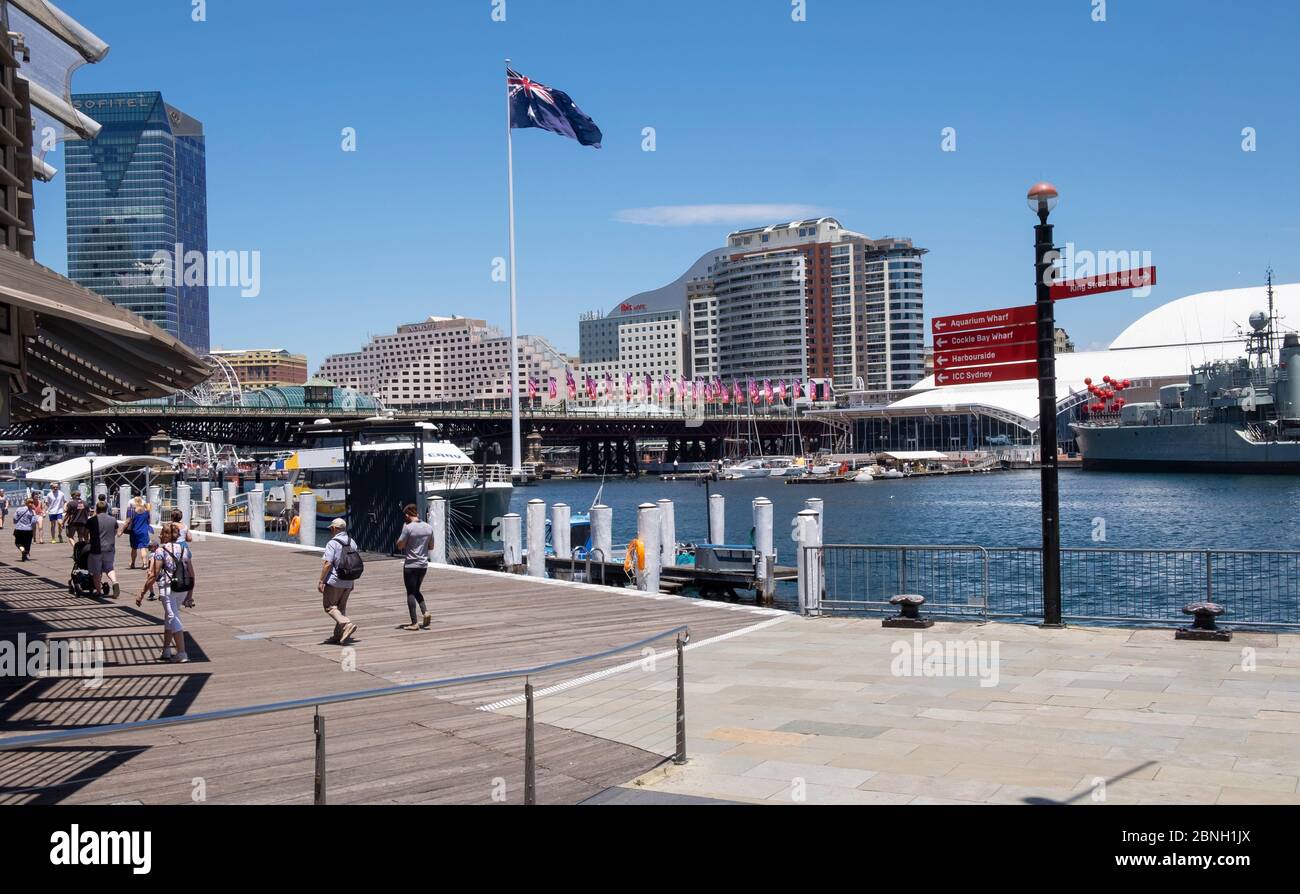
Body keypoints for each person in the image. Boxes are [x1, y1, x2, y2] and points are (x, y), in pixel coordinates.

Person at [137, 522, 194, 663]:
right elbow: (192, 574)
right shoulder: (184, 550)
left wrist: (142, 593)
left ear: (167, 535)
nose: (160, 535)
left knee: (173, 617)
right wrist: (190, 596)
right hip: (182, 588)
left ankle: (182, 653)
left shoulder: (160, 552)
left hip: (167, 588)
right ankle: (167, 650)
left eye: (162, 533)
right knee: (170, 616)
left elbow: (153, 575)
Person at [318, 518, 358, 645]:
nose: (330, 531)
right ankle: (338, 635)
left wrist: (321, 580)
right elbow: (353, 563)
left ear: (335, 529)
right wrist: (352, 582)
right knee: (341, 608)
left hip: (335, 580)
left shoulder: (332, 543)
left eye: (331, 528)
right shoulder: (352, 542)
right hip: (349, 580)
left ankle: (346, 624)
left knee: (329, 606)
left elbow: (328, 563)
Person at [395, 503, 434, 631]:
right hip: (423, 565)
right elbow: (431, 547)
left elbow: (400, 545)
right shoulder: (428, 527)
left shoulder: (408, 528)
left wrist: (404, 533)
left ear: (407, 515)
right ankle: (425, 611)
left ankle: (414, 623)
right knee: (416, 589)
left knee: (410, 592)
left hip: (411, 564)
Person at [87, 500, 122, 598]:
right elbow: (115, 531)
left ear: (96, 509)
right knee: (109, 568)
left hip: (96, 549)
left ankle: (98, 591)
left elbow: (86, 533)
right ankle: (115, 582)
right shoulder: (113, 520)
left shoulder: (92, 520)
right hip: (110, 547)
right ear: (107, 509)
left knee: (96, 571)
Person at [125, 496, 152, 570]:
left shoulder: (132, 512)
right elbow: (149, 522)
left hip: (134, 531)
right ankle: (145, 564)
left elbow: (129, 521)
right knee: (143, 548)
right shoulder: (146, 512)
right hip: (144, 532)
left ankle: (133, 563)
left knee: (134, 548)